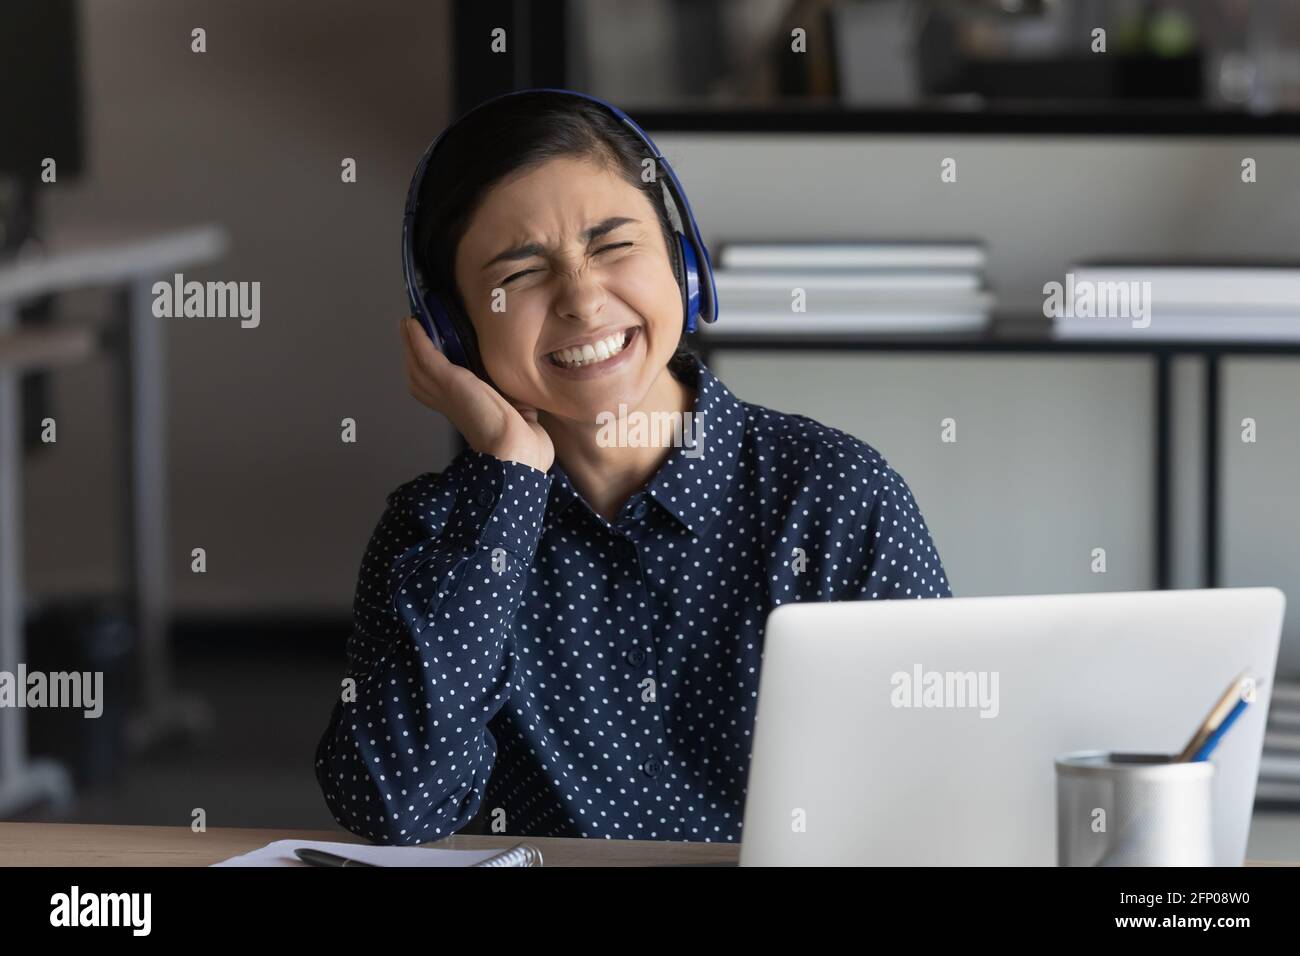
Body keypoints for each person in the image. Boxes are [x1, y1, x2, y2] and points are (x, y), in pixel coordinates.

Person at [314, 90, 951, 845]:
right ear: (454, 333)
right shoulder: (438, 531)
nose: (583, 300)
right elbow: (394, 809)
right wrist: (510, 483)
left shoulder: (839, 497)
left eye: (614, 247)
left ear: (683, 265)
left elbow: (941, 789)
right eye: (519, 275)